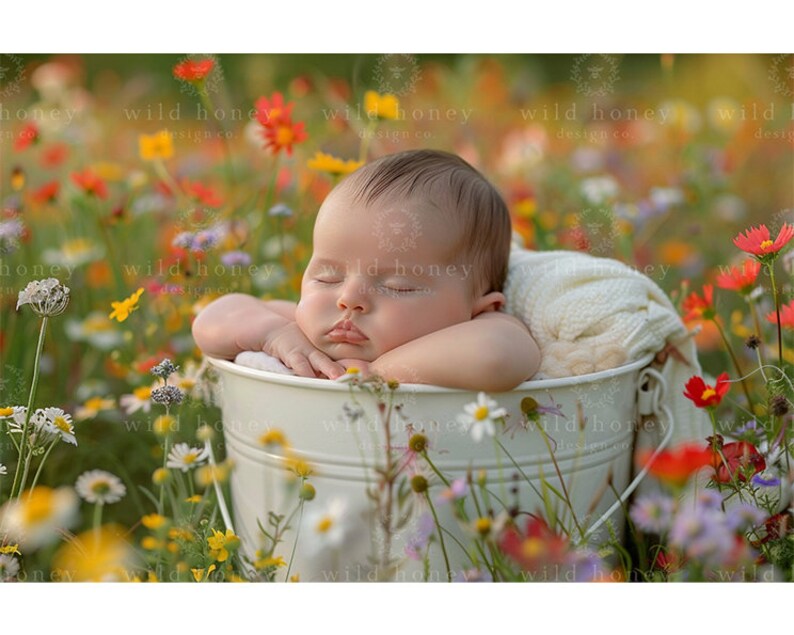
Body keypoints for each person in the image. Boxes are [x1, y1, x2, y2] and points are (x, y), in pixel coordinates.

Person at [191, 149, 541, 392]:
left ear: (478, 308)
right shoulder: (301, 335)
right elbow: (211, 321)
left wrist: (377, 374)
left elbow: (495, 357)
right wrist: (271, 334)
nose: (348, 298)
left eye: (398, 285)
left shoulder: (487, 328)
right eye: (327, 277)